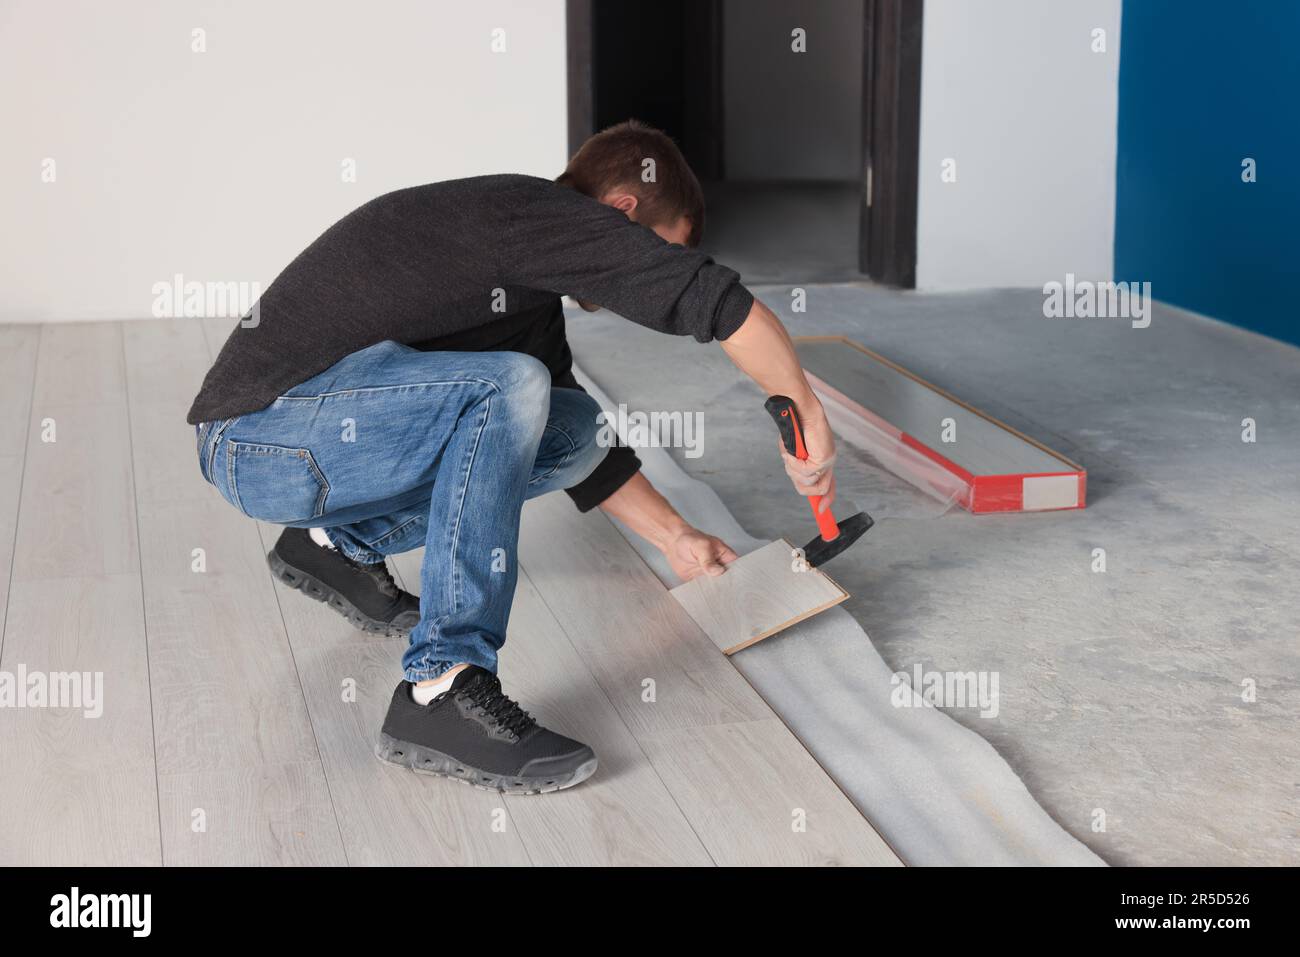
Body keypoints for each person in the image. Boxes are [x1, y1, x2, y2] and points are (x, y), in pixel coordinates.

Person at [187, 120, 838, 794]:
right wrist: (804, 407)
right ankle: (441, 687)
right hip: (257, 435)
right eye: (656, 248)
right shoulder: (531, 215)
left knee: (573, 425)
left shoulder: (526, 275)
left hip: (308, 442)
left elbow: (582, 452)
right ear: (623, 212)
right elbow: (716, 302)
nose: (640, 276)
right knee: (512, 387)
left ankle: (337, 540)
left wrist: (679, 538)